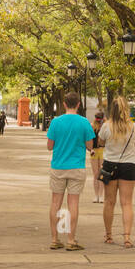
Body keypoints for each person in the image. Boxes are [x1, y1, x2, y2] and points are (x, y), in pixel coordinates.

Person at [45, 91, 94, 251]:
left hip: (58, 167)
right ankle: (71, 239)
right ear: (79, 104)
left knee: (55, 203)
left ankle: (54, 239)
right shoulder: (84, 122)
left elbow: (49, 146)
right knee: (73, 203)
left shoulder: (55, 122)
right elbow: (90, 146)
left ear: (64, 104)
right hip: (77, 167)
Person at [98, 96, 135, 248]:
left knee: (109, 202)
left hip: (110, 166)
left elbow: (101, 142)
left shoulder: (106, 127)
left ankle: (109, 235)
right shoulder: (134, 127)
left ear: (112, 110)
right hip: (128, 166)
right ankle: (127, 237)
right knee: (127, 203)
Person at [89, 108, 106, 202]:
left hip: (103, 150)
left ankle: (101, 195)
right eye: (97, 118)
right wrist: (90, 149)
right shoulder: (91, 126)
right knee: (96, 174)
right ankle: (96, 195)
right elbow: (90, 139)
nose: (98, 120)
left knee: (102, 173)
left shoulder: (105, 126)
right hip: (94, 151)